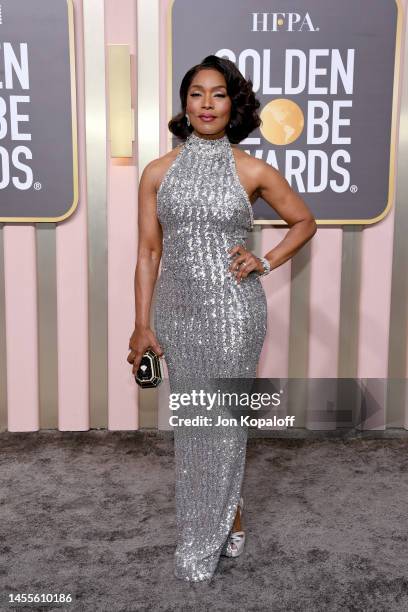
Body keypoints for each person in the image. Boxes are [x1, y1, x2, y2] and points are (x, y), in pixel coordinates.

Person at [127, 55, 317, 582]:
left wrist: (266, 259)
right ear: (185, 104)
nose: (206, 104)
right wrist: (142, 325)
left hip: (235, 312)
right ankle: (230, 514)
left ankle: (202, 537)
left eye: (217, 94)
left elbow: (304, 221)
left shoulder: (250, 169)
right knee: (195, 422)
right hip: (176, 312)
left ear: (232, 104)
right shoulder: (157, 172)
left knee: (222, 422)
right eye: (196, 94)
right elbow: (147, 253)